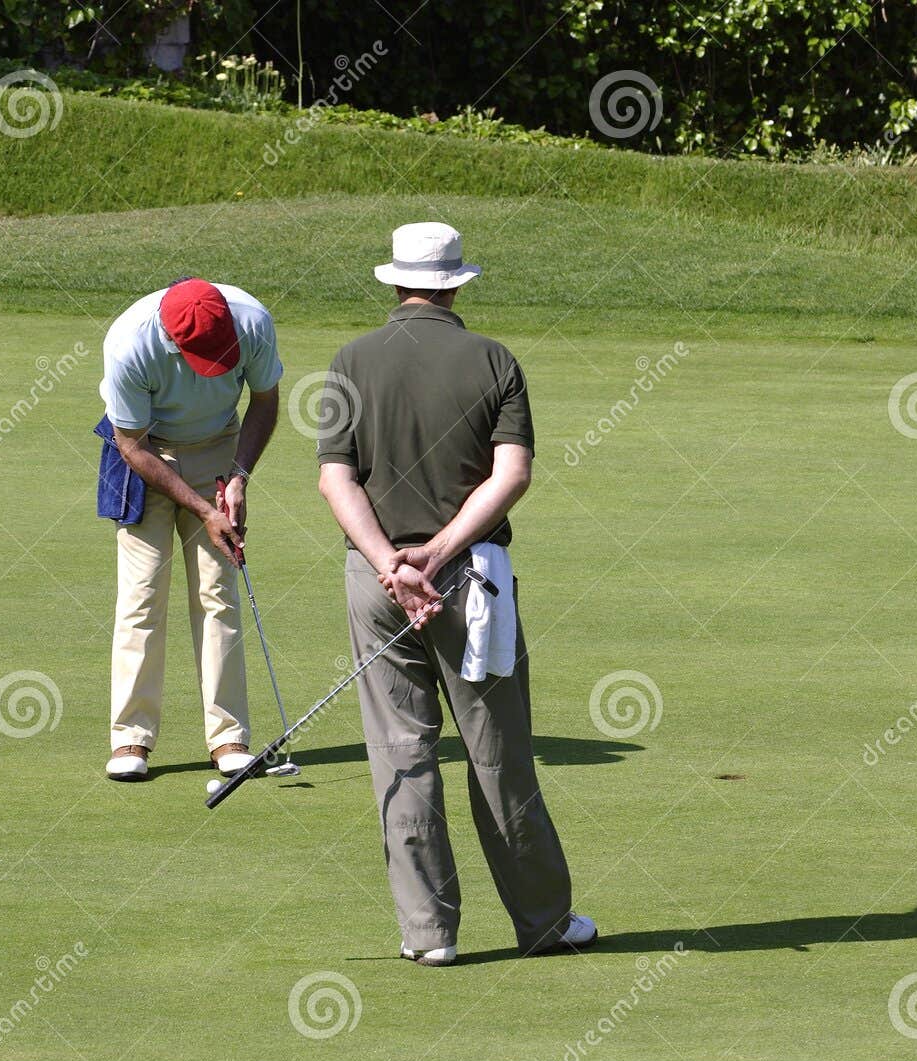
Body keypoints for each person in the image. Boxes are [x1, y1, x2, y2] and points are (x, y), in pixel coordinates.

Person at [317, 221, 594, 965]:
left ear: (394, 282)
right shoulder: (493, 360)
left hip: (377, 586)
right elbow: (513, 475)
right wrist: (440, 551)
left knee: (400, 752)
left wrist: (390, 563)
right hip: (471, 581)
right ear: (455, 283)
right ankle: (541, 920)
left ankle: (429, 934)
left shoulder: (350, 360)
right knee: (497, 752)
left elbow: (334, 477)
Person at [99, 277, 282, 782]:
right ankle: (130, 739)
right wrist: (204, 510)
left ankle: (228, 738)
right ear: (172, 340)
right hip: (144, 451)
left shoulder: (251, 320)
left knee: (217, 591)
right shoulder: (129, 341)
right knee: (142, 595)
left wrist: (240, 475)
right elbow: (131, 445)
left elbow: (265, 400)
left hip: (220, 446)